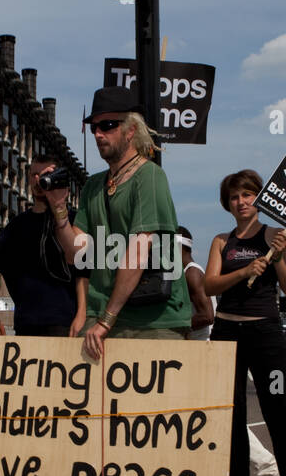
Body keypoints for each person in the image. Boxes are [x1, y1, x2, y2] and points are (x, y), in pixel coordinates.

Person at [48, 86, 192, 361]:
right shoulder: (92, 185)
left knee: (154, 405)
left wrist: (105, 320)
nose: (98, 134)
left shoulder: (149, 176)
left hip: (153, 319)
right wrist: (58, 209)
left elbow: (138, 253)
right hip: (107, 316)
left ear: (130, 130)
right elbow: (76, 253)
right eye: (94, 128)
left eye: (108, 125)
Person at [203, 170, 286, 476]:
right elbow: (210, 286)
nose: (241, 202)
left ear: (258, 198)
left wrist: (280, 255)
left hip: (266, 336)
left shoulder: (277, 236)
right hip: (227, 335)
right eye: (234, 197)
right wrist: (244, 272)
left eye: (247, 195)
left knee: (276, 412)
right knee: (231, 415)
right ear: (227, 204)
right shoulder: (220, 241)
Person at [0, 154, 85, 337]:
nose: (40, 180)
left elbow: (84, 268)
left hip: (65, 323)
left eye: (47, 174)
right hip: (27, 322)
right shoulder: (17, 226)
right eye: (34, 175)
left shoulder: (74, 220)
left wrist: (82, 313)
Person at [178, 225, 214, 340]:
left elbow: (207, 316)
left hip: (202, 344)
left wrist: (174, 326)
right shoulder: (186, 272)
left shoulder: (192, 273)